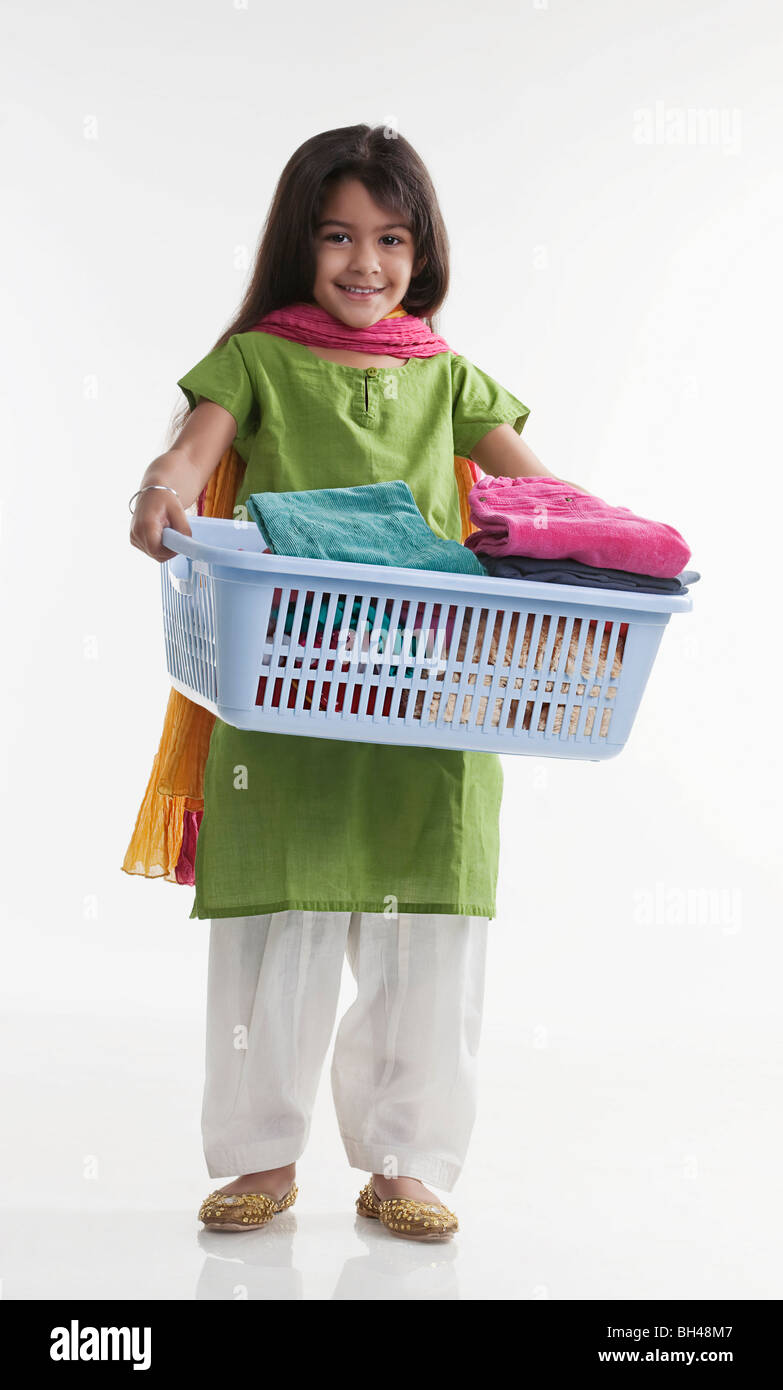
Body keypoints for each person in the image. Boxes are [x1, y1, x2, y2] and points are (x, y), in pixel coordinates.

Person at [128, 123, 586, 1242]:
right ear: (301, 244)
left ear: (422, 251)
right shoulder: (255, 359)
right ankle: (260, 1156)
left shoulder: (453, 379)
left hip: (433, 697)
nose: (364, 264)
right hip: (287, 684)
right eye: (338, 236)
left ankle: (407, 1161)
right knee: (275, 924)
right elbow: (193, 452)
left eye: (390, 238)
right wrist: (161, 488)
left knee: (427, 927)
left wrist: (609, 555)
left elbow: (550, 502)